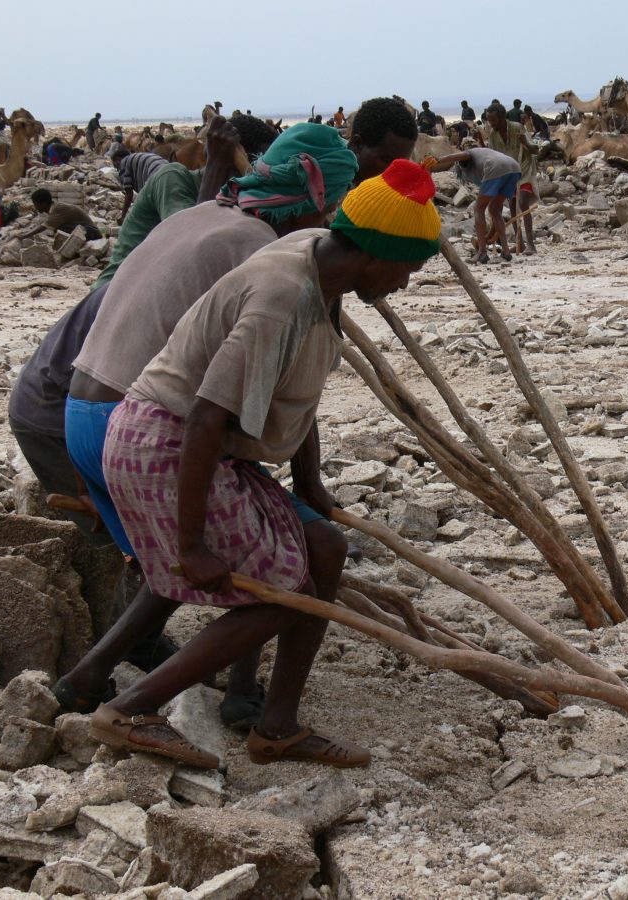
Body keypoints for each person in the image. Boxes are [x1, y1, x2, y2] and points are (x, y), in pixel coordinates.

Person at [88, 159, 441, 770]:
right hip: (166, 445)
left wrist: (311, 485)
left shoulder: (318, 255)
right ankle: (130, 709)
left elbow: (293, 396)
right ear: (374, 255)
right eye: (407, 268)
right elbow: (203, 418)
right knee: (285, 596)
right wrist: (192, 543)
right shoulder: (282, 297)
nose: (406, 283)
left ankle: (277, 727)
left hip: (205, 448)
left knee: (323, 548)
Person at [57, 123, 359, 727]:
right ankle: (242, 697)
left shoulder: (202, 213)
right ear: (315, 202)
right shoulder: (268, 254)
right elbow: (248, 396)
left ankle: (89, 676)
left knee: (176, 563)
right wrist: (307, 483)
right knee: (259, 566)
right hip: (152, 423)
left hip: (84, 415)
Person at [428, 144, 519, 263]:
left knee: (478, 209)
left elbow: (463, 155)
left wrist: (438, 160)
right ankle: (506, 251)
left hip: (496, 167)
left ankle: (482, 252)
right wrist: (489, 235)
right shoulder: (484, 155)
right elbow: (496, 205)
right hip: (514, 168)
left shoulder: (471, 154)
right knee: (494, 209)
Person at [478, 102, 539, 254]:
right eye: (489, 121)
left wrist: (525, 143)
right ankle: (521, 243)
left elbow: (535, 150)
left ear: (503, 118)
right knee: (512, 208)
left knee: (523, 204)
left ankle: (531, 244)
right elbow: (492, 155)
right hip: (510, 173)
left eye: (494, 121)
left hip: (524, 170)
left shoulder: (518, 128)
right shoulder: (493, 134)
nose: (491, 124)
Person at [347, 96, 418, 185]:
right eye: (386, 160)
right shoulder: (330, 187)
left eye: (402, 165)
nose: (396, 175)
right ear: (357, 144)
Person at [111, 148, 168, 225]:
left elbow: (129, 193)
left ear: (118, 159)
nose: (118, 169)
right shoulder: (137, 158)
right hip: (169, 168)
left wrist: (123, 216)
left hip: (156, 175)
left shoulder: (124, 162)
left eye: (116, 166)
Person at [23, 188, 101, 241]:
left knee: (60, 229)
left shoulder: (58, 208)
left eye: (36, 204)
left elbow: (44, 226)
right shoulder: (55, 208)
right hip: (88, 231)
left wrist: (25, 235)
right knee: (58, 230)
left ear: (44, 203)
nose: (35, 207)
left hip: (91, 232)